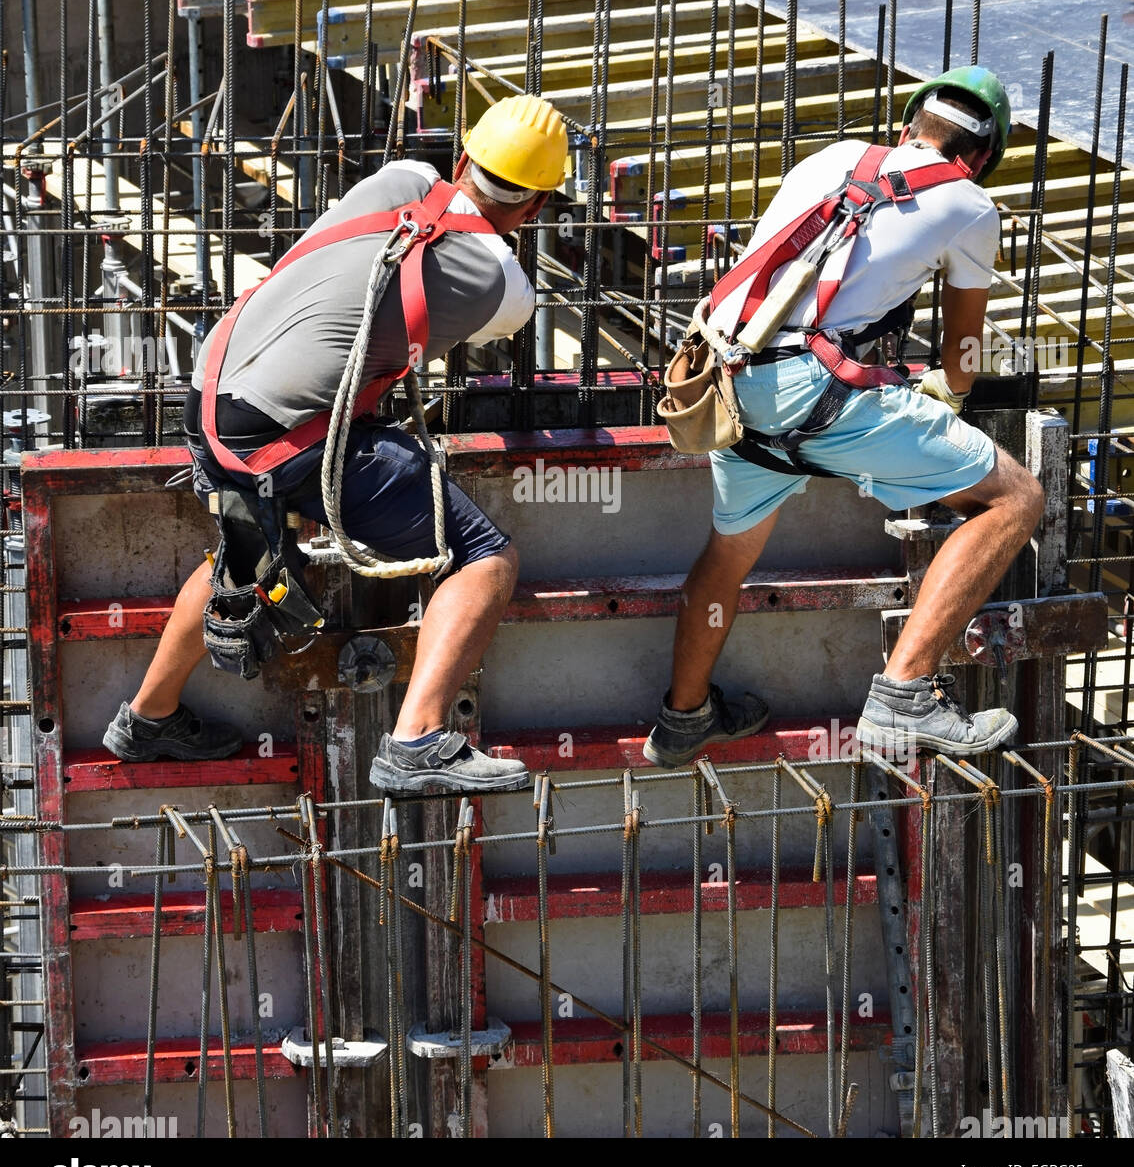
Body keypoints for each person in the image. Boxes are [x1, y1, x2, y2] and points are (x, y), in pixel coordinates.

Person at [102, 94, 569, 796]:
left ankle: (147, 716)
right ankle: (418, 740)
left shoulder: (401, 176)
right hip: (288, 438)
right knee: (485, 557)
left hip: (211, 399)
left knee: (246, 553)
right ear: (534, 209)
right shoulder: (505, 286)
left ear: (464, 156)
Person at [644, 67, 1044, 769]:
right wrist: (946, 391)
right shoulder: (972, 205)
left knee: (728, 554)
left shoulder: (831, 159)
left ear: (908, 128)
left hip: (730, 385)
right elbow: (963, 354)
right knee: (1014, 498)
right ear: (981, 158)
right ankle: (905, 696)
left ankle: (684, 715)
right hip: (818, 392)